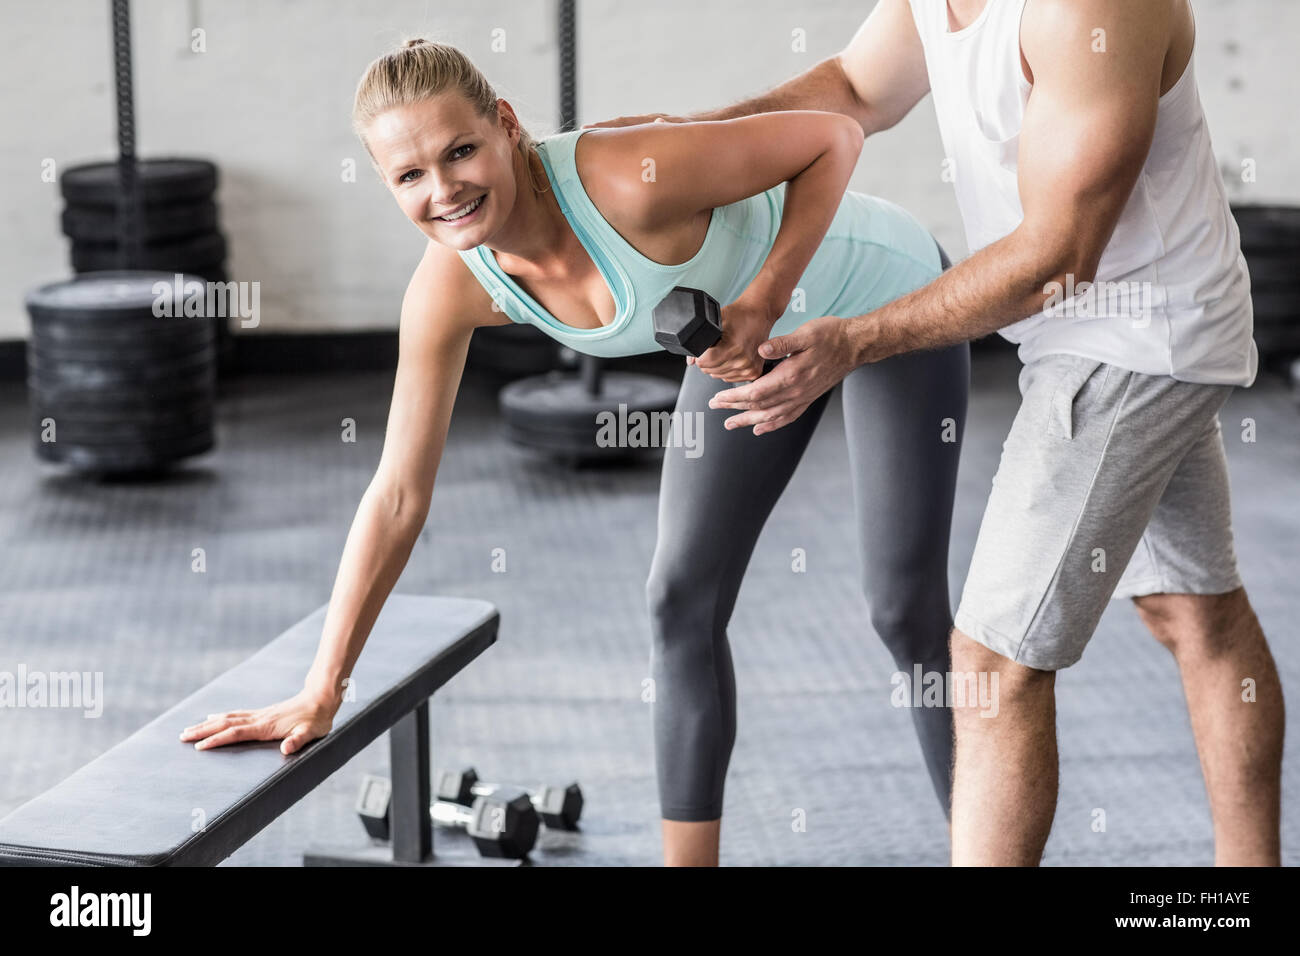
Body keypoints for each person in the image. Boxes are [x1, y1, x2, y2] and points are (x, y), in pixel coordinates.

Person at [180, 37, 970, 866]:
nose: (444, 191)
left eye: (461, 152)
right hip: (744, 346)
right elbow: (398, 496)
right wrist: (322, 687)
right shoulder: (453, 285)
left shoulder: (624, 179)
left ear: (507, 127)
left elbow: (833, 139)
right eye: (410, 177)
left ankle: (981, 850)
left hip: (888, 300)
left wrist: (764, 301)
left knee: (904, 612)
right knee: (679, 600)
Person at [593, 0, 1284, 866]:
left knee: (991, 664)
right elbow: (852, 88)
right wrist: (681, 142)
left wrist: (856, 339)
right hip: (1092, 330)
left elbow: (1058, 255)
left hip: (1133, 342)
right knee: (1192, 611)